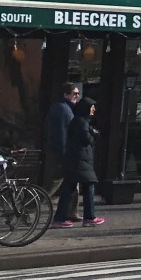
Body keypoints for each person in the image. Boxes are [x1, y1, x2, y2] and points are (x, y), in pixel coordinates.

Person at [56, 97, 103, 227]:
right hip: (80, 160)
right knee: (88, 187)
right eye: (91, 107)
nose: (93, 110)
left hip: (78, 160)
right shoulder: (81, 122)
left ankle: (60, 218)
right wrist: (94, 134)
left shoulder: (81, 121)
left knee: (70, 188)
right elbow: (86, 139)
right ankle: (89, 217)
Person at [45, 82, 82, 206]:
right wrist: (65, 153)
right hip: (61, 154)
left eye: (78, 93)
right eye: (74, 93)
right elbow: (62, 134)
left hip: (63, 152)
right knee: (53, 183)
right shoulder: (63, 109)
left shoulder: (64, 108)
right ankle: (29, 208)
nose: (77, 96)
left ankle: (72, 211)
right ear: (66, 94)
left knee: (73, 181)